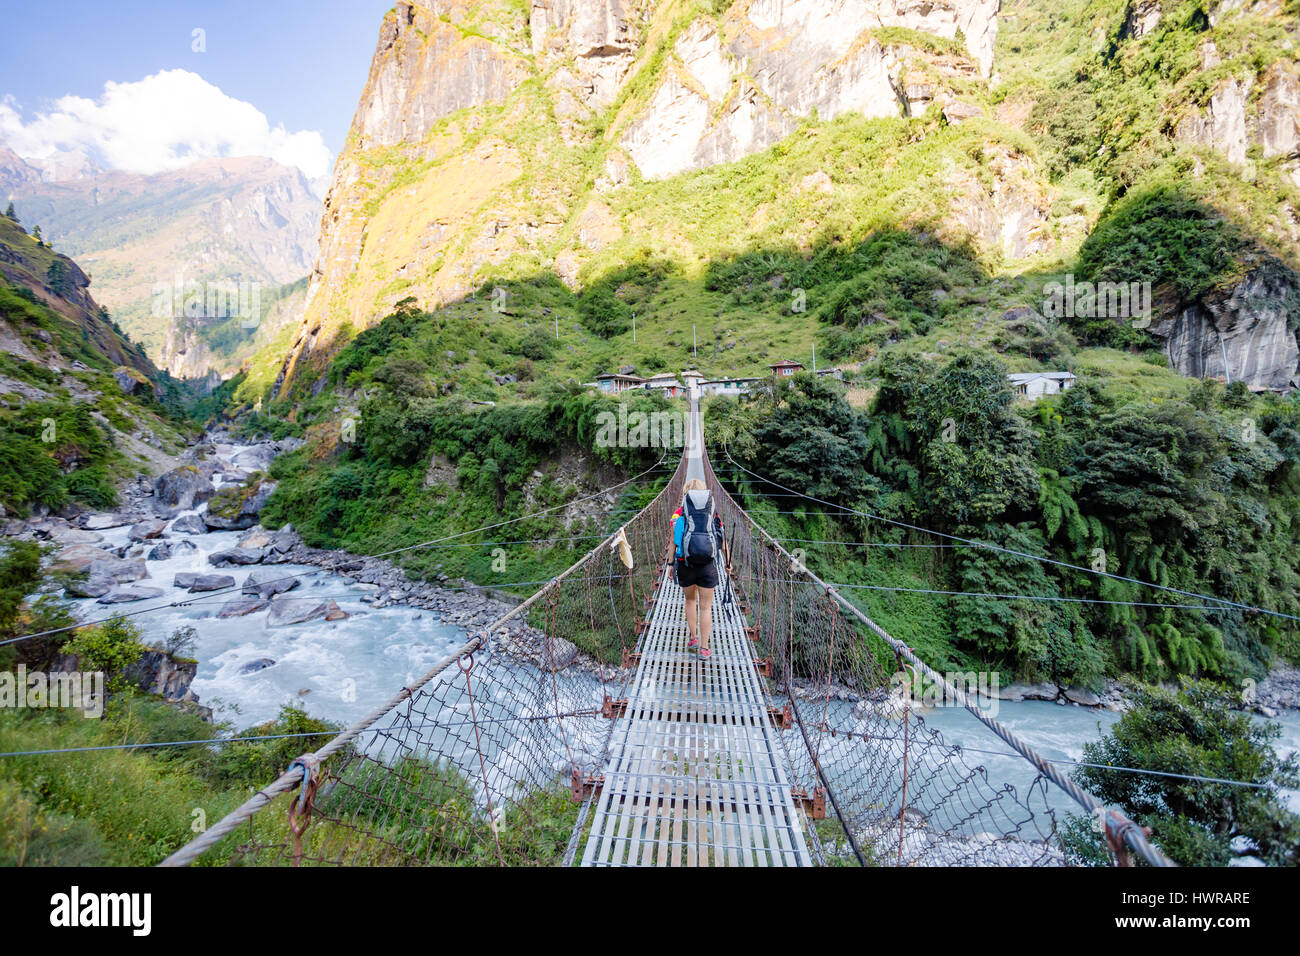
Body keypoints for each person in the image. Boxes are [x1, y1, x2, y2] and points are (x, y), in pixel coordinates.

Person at [669, 479, 731, 659]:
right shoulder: (713, 513)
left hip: (685, 564)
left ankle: (693, 638)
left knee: (690, 601)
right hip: (707, 566)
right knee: (705, 607)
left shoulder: (678, 514)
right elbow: (722, 540)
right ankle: (704, 648)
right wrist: (728, 563)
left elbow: (673, 543)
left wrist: (670, 565)